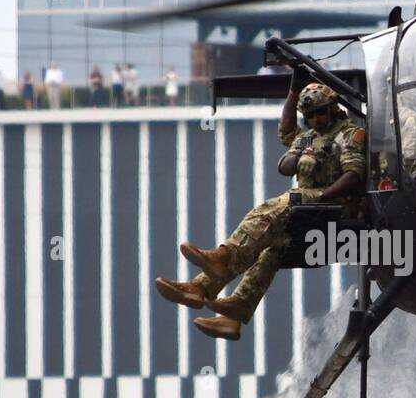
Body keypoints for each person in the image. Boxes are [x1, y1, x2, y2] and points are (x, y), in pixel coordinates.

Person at [154, 82, 366, 340]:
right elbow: (286, 132)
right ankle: (218, 300)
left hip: (336, 205)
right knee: (271, 248)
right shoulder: (307, 136)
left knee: (272, 209)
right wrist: (292, 93)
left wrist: (322, 195)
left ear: (333, 109)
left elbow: (354, 176)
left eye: (320, 112)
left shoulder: (349, 134)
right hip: (310, 212)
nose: (315, 119)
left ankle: (223, 257)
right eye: (309, 115)